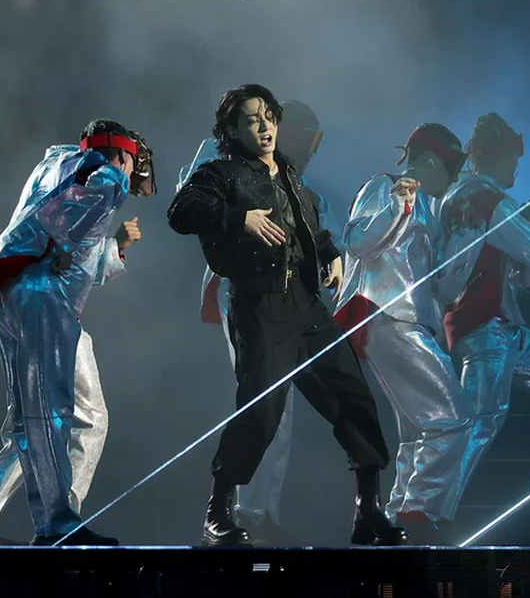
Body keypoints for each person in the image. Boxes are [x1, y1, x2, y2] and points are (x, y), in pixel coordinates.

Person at [168, 83, 406, 547]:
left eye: (269, 117)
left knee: (353, 397)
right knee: (261, 410)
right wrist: (241, 218)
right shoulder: (222, 173)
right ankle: (219, 512)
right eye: (252, 119)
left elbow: (307, 224)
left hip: (307, 306)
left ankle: (369, 511)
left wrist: (330, 252)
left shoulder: (291, 173)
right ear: (232, 130)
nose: (264, 126)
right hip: (260, 306)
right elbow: (181, 211)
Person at [0, 131, 153, 546]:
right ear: (122, 154)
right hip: (44, 296)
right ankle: (59, 524)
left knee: (36, 417)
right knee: (61, 414)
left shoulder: (55, 167)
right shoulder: (105, 175)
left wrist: (109, 244)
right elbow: (72, 235)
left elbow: (78, 260)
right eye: (132, 164)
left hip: (18, 291)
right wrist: (70, 238)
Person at [175, 99, 336, 543]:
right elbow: (189, 200)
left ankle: (256, 510)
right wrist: (239, 216)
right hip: (247, 287)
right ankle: (241, 510)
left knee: (279, 403)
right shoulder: (224, 156)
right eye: (310, 139)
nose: (312, 150)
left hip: (282, 295)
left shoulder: (292, 179)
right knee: (267, 398)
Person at [437, 112, 530, 509]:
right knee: (479, 420)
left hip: (498, 326)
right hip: (482, 327)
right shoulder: (484, 197)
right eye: (513, 156)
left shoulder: (467, 195)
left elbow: (521, 272)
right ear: (498, 154)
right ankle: (432, 509)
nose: (518, 165)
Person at [334, 122, 474, 543]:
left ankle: (396, 513)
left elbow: (443, 288)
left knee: (419, 428)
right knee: (453, 419)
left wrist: (467, 238)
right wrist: (397, 207)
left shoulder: (430, 210)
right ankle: (418, 510)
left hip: (410, 319)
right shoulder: (385, 186)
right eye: (449, 170)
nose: (451, 181)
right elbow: (358, 243)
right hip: (386, 314)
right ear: (430, 161)